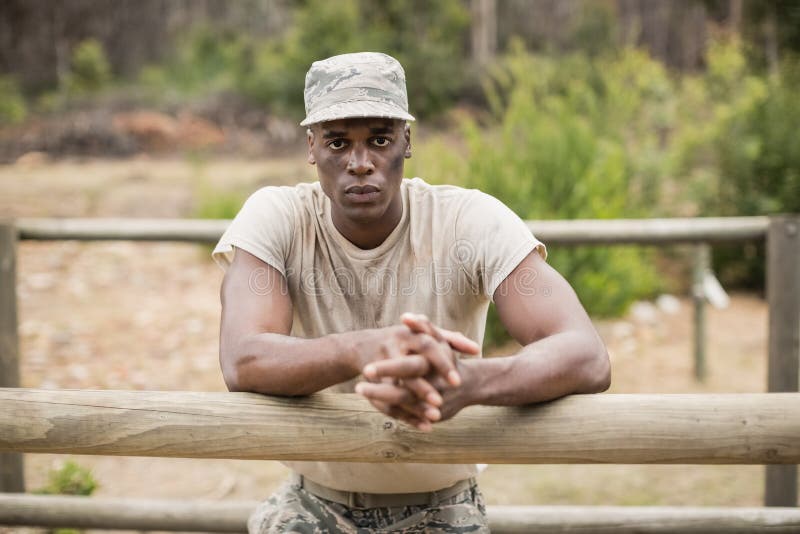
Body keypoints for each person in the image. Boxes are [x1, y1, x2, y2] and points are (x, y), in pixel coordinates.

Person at [213, 51, 610, 533]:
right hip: (311, 502)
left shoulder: (469, 220)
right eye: (338, 142)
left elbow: (585, 353)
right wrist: (366, 349)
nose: (360, 163)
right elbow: (243, 357)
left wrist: (465, 384)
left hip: (444, 505)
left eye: (379, 139)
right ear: (311, 147)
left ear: (407, 141)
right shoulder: (277, 217)